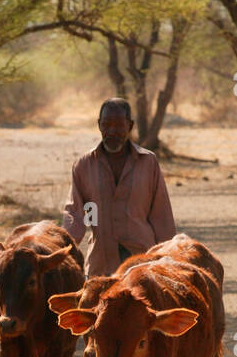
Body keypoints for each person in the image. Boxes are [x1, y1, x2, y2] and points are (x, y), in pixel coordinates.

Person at [62, 98, 177, 278]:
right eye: (107, 125)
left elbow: (161, 215)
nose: (112, 131)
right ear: (99, 125)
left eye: (119, 125)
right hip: (101, 266)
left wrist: (169, 260)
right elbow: (75, 214)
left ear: (130, 126)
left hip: (143, 265)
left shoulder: (148, 162)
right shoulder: (84, 165)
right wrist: (62, 250)